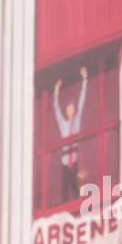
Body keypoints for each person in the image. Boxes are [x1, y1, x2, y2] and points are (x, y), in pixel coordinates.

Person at [53, 67, 89, 202]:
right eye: (69, 109)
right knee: (64, 191)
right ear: (66, 112)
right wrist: (56, 91)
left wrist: (85, 79)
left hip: (74, 161)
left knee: (75, 189)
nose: (71, 111)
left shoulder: (77, 121)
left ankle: (77, 210)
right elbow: (56, 108)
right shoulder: (63, 124)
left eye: (73, 109)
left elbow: (82, 101)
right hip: (64, 163)